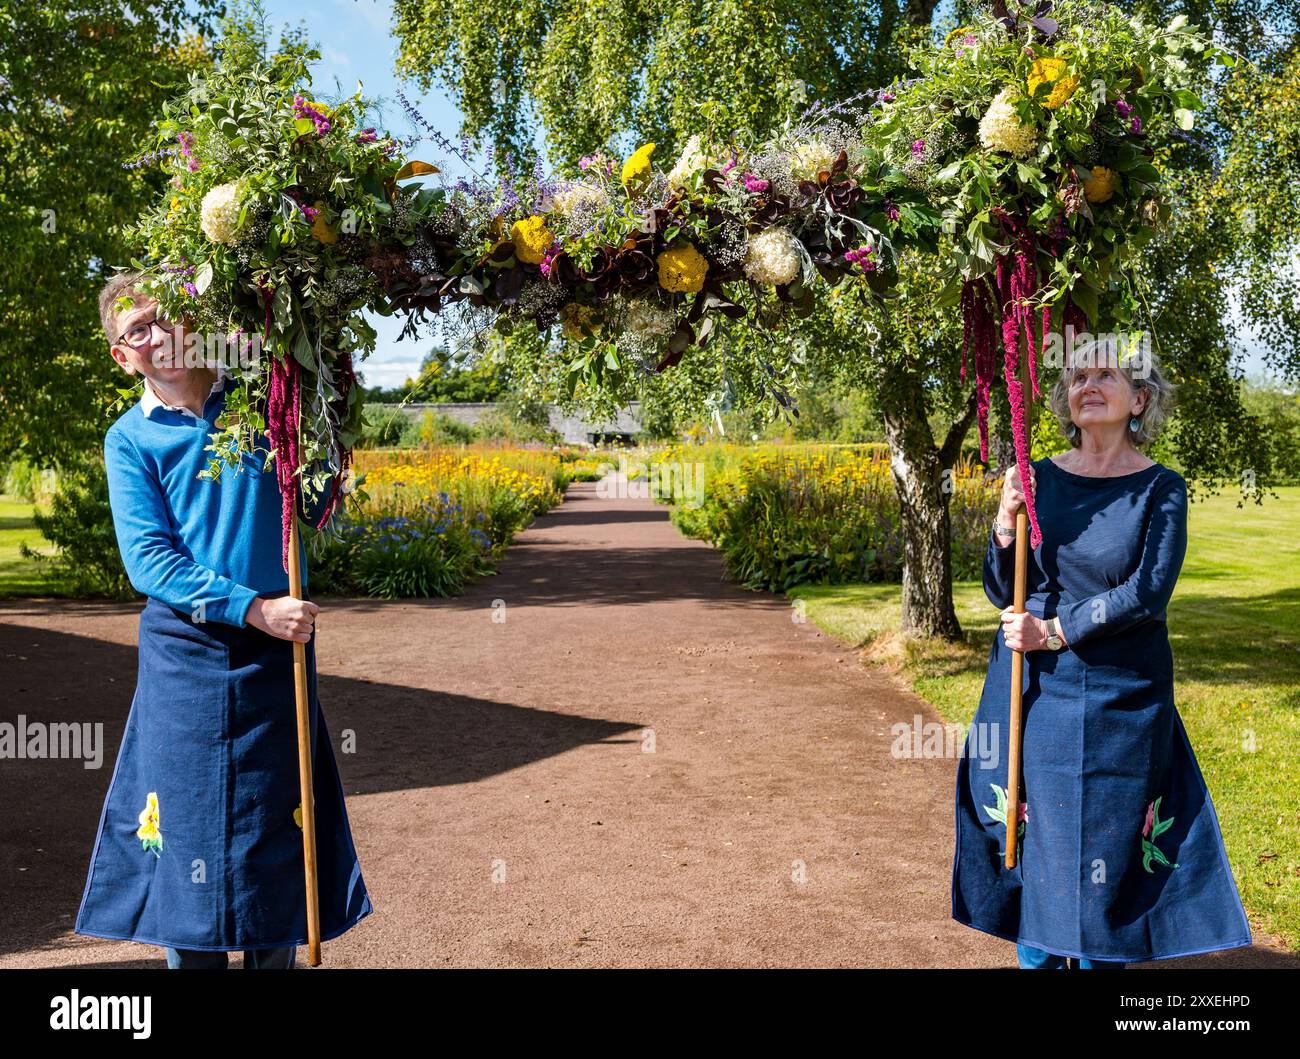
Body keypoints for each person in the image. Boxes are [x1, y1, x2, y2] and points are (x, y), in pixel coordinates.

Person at [74, 271, 372, 968]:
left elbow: (321, 475)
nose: (154, 337)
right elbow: (150, 562)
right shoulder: (130, 440)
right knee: (188, 838)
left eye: (160, 318)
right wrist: (253, 608)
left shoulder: (263, 399)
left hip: (277, 649)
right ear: (122, 356)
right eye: (134, 332)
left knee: (275, 832)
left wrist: (326, 389)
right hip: (188, 655)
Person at [951, 343, 1251, 968]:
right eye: (1077, 375)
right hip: (1039, 694)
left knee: (1108, 860)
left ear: (1138, 400)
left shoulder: (1161, 488)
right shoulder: (1034, 479)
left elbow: (1147, 592)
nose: (1088, 384)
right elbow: (1003, 588)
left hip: (1124, 698)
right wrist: (1005, 522)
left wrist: (1055, 630)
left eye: (1106, 375)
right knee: (1040, 847)